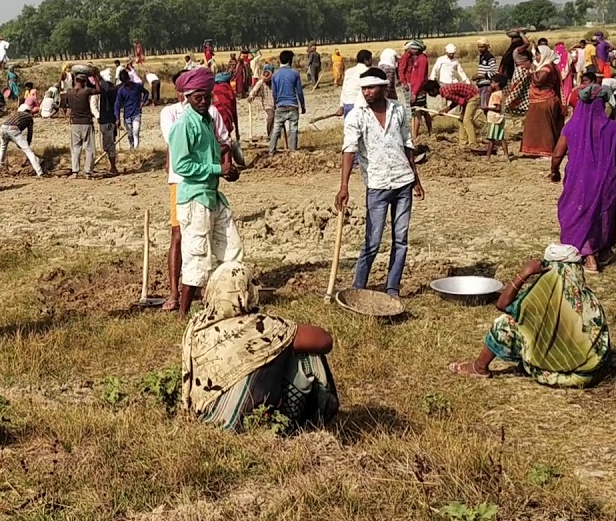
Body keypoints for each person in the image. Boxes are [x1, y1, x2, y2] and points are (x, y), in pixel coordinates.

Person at [182, 262, 338, 432]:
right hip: (239, 425)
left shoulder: (196, 326)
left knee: (282, 348)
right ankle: (309, 417)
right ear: (247, 292)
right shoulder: (259, 327)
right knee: (308, 356)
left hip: (207, 417)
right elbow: (324, 340)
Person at [449, 245, 609, 387]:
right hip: (587, 375)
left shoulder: (541, 297)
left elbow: (502, 305)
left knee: (506, 323)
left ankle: (479, 367)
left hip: (553, 374)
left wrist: (524, 274)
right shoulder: (590, 302)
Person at [335, 69, 425, 298]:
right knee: (372, 241)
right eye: (364, 88)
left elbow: (407, 143)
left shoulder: (398, 109)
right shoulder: (357, 115)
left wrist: (416, 179)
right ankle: (358, 288)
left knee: (401, 239)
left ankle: (392, 288)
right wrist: (344, 186)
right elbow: (349, 149)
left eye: (371, 88)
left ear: (384, 88)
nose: (366, 92)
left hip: (403, 181)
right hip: (377, 184)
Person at [168, 68, 242, 318]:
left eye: (206, 97)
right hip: (194, 198)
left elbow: (215, 153)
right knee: (197, 258)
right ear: (187, 96)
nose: (203, 102)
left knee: (232, 249)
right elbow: (182, 166)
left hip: (213, 194)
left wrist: (227, 170)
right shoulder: (183, 125)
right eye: (198, 97)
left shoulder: (208, 120)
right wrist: (216, 169)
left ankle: (228, 303)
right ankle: (183, 314)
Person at [550, 84, 616, 273]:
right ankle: (603, 251)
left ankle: (589, 257)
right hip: (607, 182)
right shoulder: (612, 128)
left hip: (578, 182)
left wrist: (554, 171)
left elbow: (557, 154)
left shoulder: (571, 126)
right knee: (602, 214)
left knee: (579, 212)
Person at [520, 46, 565, 158]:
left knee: (545, 128)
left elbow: (539, 80)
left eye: (538, 55)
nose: (537, 57)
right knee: (538, 127)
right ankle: (538, 151)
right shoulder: (547, 66)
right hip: (539, 100)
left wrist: (533, 69)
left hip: (544, 100)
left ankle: (547, 151)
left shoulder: (547, 67)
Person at [268, 51, 306, 155]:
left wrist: (276, 104)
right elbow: (299, 92)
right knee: (293, 129)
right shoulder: (295, 73)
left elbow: (274, 93)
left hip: (280, 106)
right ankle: (293, 151)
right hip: (293, 105)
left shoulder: (275, 75)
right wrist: (302, 106)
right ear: (290, 61)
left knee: (276, 129)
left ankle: (271, 151)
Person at [423, 79, 480, 146]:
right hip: (468, 97)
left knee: (467, 121)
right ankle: (463, 143)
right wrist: (446, 109)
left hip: (473, 97)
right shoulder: (445, 90)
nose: (429, 95)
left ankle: (473, 144)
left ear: (434, 90)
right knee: (461, 120)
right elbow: (458, 100)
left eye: (429, 93)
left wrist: (447, 109)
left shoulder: (446, 93)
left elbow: (461, 101)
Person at [66, 74, 99, 178]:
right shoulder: (86, 91)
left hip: (75, 123)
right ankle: (88, 172)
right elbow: (98, 90)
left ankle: (75, 171)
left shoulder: (69, 92)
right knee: (89, 148)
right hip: (86, 122)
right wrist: (95, 77)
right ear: (84, 82)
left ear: (75, 81)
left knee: (75, 148)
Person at [0, 105, 43, 176]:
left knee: (2, 147)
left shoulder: (15, 114)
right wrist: (27, 143)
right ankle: (39, 172)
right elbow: (29, 133)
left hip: (3, 128)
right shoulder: (29, 117)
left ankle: (0, 167)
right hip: (13, 129)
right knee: (28, 151)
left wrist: (19, 144)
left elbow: (16, 134)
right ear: (28, 111)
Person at [401, 40, 431, 139]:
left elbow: (421, 78)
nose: (411, 51)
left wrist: (414, 92)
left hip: (419, 89)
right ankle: (430, 131)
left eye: (413, 49)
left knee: (417, 112)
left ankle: (414, 136)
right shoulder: (418, 58)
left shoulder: (422, 60)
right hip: (416, 88)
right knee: (422, 110)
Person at [337, 50, 373, 118]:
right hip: (360, 106)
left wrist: (341, 106)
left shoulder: (349, 71)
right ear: (366, 60)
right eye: (371, 59)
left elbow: (344, 89)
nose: (372, 61)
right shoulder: (368, 72)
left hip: (347, 105)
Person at [114, 70, 145, 150]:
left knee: (136, 131)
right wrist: (117, 118)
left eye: (127, 80)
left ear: (129, 78)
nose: (127, 82)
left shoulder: (137, 86)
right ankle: (131, 146)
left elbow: (146, 93)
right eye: (125, 81)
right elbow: (117, 104)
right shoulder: (121, 91)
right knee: (130, 133)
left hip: (136, 113)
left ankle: (136, 148)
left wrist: (143, 101)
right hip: (127, 115)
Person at [483, 75, 511, 161]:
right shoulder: (502, 93)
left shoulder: (495, 95)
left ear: (497, 83)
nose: (491, 84)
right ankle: (507, 156)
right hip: (500, 118)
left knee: (491, 139)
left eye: (492, 82)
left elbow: (497, 108)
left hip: (494, 119)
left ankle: (488, 157)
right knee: (501, 138)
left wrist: (486, 108)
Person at [97, 74, 120, 175]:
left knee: (109, 144)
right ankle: (112, 166)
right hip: (109, 120)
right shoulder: (113, 93)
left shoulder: (105, 94)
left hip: (106, 121)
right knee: (109, 144)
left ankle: (113, 167)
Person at [247, 64, 276, 142]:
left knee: (278, 120)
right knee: (271, 117)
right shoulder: (261, 82)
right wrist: (251, 96)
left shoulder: (275, 81)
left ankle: (277, 136)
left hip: (277, 103)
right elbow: (254, 90)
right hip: (267, 104)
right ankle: (269, 135)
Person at [211, 71, 239, 143]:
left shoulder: (213, 90)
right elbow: (234, 111)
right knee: (226, 142)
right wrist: (237, 130)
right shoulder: (229, 90)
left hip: (213, 121)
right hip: (226, 120)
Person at [474, 38, 497, 106]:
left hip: (486, 83)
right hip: (480, 83)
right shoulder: (481, 56)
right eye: (479, 47)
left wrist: (481, 76)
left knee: (484, 104)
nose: (480, 49)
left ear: (486, 47)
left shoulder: (490, 57)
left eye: (482, 47)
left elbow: (493, 72)